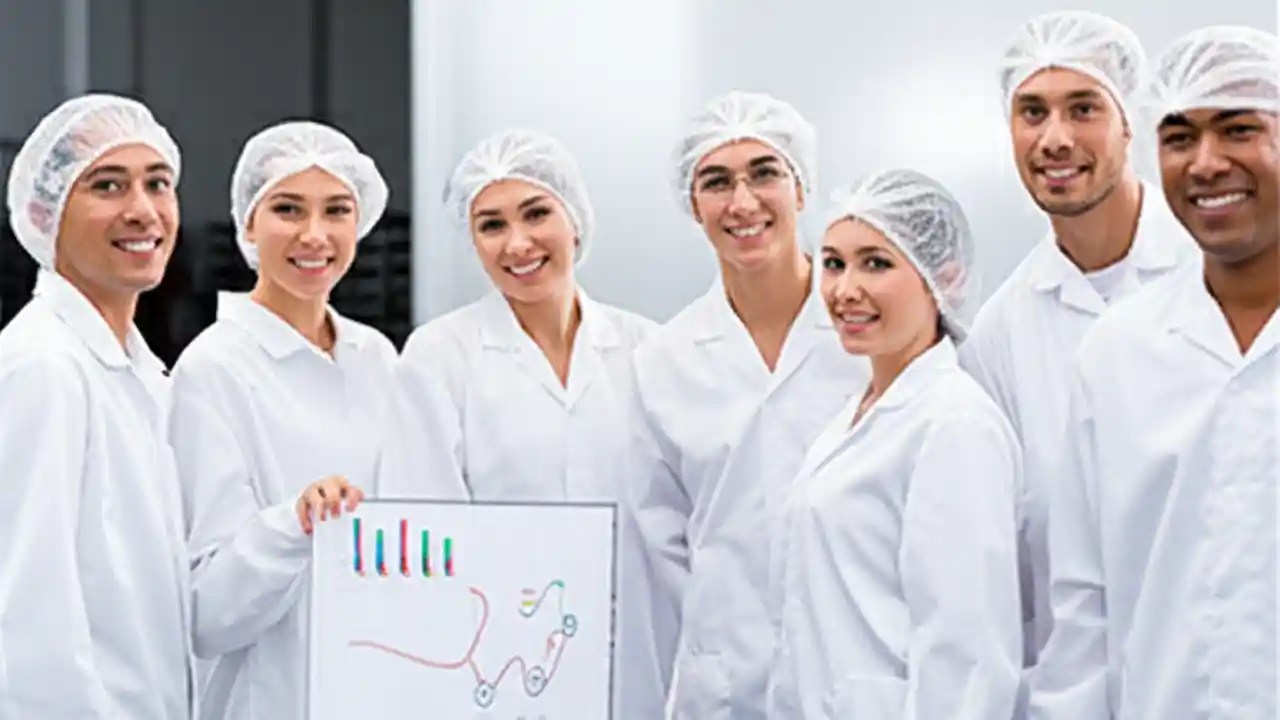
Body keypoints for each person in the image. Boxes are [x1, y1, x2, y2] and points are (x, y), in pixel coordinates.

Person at [1031, 27, 1279, 719]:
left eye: (1238, 130)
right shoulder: (1119, 352)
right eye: (1178, 138)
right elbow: (1083, 609)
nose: (1205, 163)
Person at [379, 129, 666, 718]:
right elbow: (426, 531)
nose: (517, 243)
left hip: (639, 661)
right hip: (499, 667)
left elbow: (675, 525)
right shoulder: (439, 356)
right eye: (490, 224)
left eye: (536, 213)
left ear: (575, 218)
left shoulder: (648, 351)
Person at [959, 9, 1197, 678]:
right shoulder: (999, 337)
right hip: (1071, 685)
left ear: (1130, 121)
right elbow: (1003, 548)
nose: (1054, 139)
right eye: (1031, 112)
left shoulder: (1214, 274)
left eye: (1083, 108)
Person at [629, 90, 871, 719]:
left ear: (802, 187)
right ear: (693, 203)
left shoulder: (871, 327)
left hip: (864, 669)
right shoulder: (665, 359)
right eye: (716, 181)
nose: (742, 202)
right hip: (725, 685)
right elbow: (662, 547)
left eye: (764, 173)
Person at [765, 168, 1022, 719]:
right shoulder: (858, 415)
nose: (844, 288)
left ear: (944, 279)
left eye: (876, 263)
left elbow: (967, 655)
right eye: (833, 263)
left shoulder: (954, 424)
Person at [169, 121, 396, 719]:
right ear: (248, 223)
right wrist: (294, 522)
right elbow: (208, 612)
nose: (314, 235)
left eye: (337, 210)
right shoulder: (212, 369)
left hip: (382, 681)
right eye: (288, 209)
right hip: (268, 698)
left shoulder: (375, 357)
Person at [0, 94, 193, 717]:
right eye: (107, 186)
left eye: (157, 184)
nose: (143, 211)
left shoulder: (142, 376)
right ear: (43, 212)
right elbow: (27, 618)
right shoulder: (43, 368)